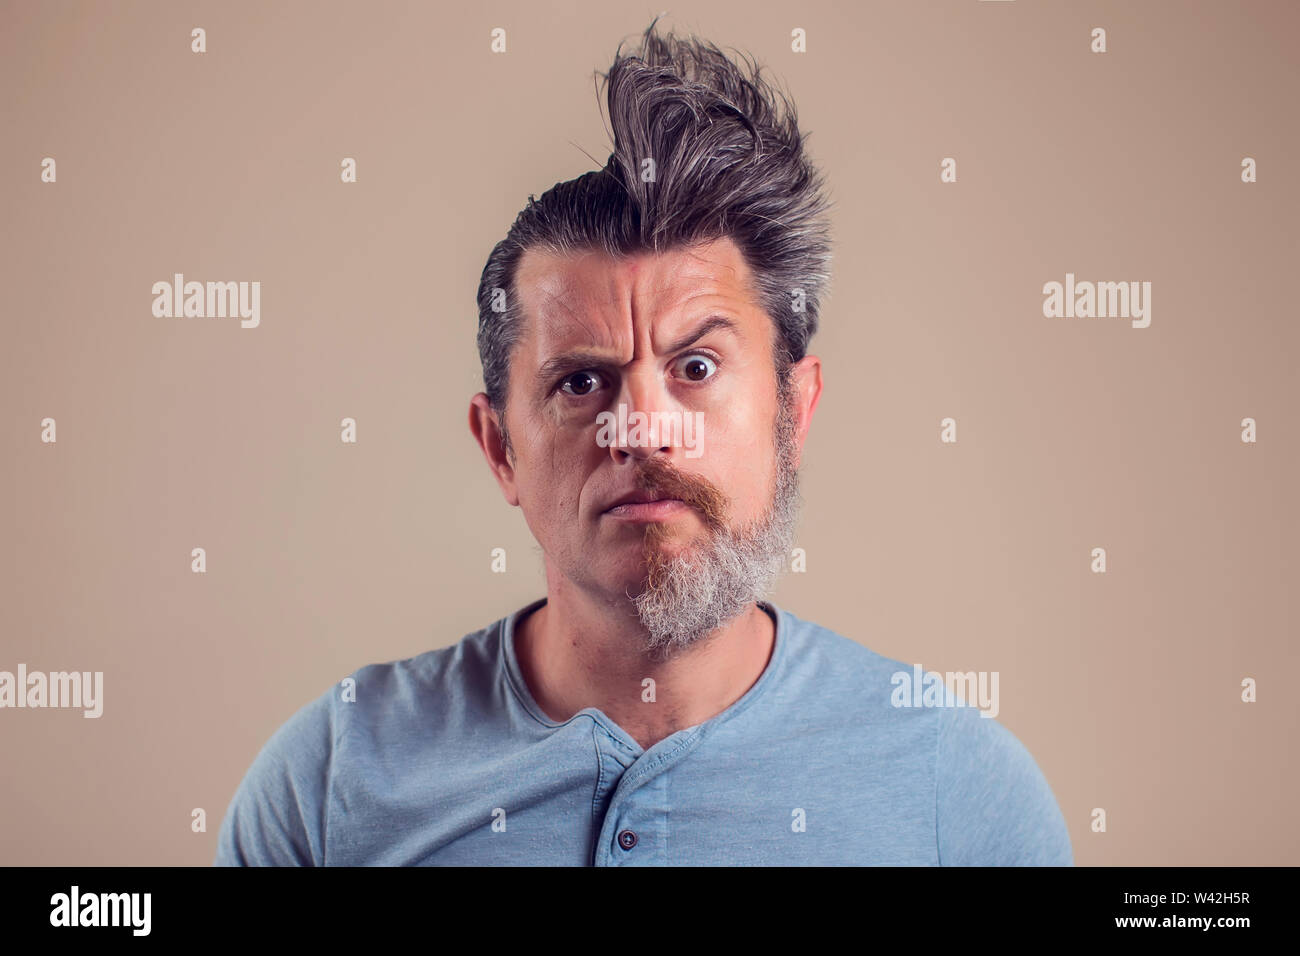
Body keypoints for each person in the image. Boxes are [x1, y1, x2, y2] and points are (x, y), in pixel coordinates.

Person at [215, 19, 1072, 866]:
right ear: (500, 448)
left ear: (792, 414)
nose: (643, 429)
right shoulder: (328, 787)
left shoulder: (956, 794)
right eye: (581, 383)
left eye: (696, 366)